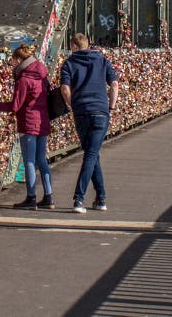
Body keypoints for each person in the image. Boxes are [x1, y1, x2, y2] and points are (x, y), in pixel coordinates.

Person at [0, 44, 54, 210]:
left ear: (18, 60)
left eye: (12, 61)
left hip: (28, 122)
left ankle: (31, 197)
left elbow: (15, 106)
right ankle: (49, 197)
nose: (11, 64)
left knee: (29, 160)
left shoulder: (24, 79)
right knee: (41, 159)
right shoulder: (42, 74)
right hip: (43, 120)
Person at [60, 33, 119, 214]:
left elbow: (64, 89)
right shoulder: (102, 60)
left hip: (81, 112)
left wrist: (73, 105)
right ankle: (100, 198)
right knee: (93, 155)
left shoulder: (69, 63)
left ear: (74, 46)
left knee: (91, 154)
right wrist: (111, 107)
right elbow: (115, 84)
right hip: (101, 112)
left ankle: (79, 198)